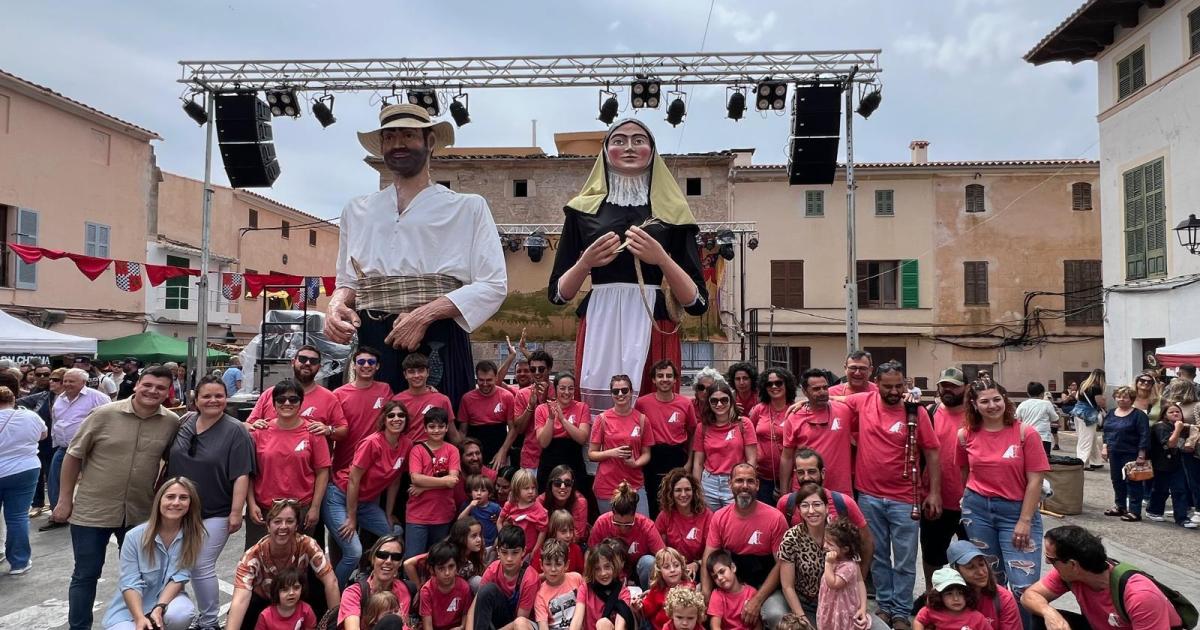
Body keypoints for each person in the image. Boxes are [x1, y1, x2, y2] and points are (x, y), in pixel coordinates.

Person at [325, 103, 507, 410]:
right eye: (389, 137)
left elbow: (493, 284)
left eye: (408, 135)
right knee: (373, 432)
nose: (397, 144)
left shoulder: (468, 207)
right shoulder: (356, 210)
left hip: (438, 334)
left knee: (439, 436)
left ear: (430, 142)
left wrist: (424, 315)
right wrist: (335, 304)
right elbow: (348, 280)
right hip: (373, 337)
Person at [548, 119, 708, 415]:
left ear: (652, 150)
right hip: (600, 315)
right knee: (598, 402)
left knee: (653, 406)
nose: (630, 147)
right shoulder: (581, 210)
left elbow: (697, 302)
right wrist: (585, 263)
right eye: (619, 140)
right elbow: (558, 294)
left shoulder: (673, 211)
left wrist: (661, 257)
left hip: (651, 316)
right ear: (606, 151)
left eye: (638, 140)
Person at [54, 366, 180, 630]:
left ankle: (136, 622)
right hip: (93, 509)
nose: (152, 391)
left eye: (160, 388)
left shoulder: (170, 422)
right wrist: (65, 499)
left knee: (143, 575)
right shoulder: (103, 414)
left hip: (139, 512)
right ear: (137, 385)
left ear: (167, 392)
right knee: (86, 574)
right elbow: (73, 455)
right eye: (148, 385)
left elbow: (173, 461)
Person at [841, 361, 941, 630]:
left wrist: (934, 492)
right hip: (869, 496)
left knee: (906, 560)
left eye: (899, 385)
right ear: (877, 383)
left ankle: (901, 610)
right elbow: (830, 398)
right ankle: (884, 606)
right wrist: (798, 404)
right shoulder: (863, 401)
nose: (894, 391)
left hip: (906, 498)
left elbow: (932, 452)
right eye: (888, 386)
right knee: (879, 556)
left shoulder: (915, 412)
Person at [164, 375, 255, 630]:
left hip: (216, 511)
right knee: (175, 564)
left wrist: (237, 512)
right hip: (177, 511)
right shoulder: (184, 422)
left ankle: (209, 621)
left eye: (219, 395)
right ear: (196, 398)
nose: (213, 400)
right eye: (207, 395)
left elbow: (241, 475)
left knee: (200, 564)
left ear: (226, 398)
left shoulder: (236, 430)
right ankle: (174, 612)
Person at [957, 379, 1050, 620]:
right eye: (984, 401)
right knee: (989, 582)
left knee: (1024, 587)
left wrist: (1025, 520)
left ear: (1005, 400)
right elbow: (965, 473)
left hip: (1017, 512)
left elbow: (1035, 481)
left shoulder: (1025, 433)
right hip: (977, 513)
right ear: (974, 405)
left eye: (996, 399)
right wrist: (966, 501)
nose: (992, 405)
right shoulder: (965, 435)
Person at [1022, 525, 1183, 630]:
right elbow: (1029, 596)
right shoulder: (1069, 575)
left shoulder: (1140, 595)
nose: (1046, 563)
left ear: (1073, 565)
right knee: (1040, 620)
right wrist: (1049, 613)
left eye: (1051, 559)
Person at [323, 400, 409, 586]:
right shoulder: (372, 443)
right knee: (353, 551)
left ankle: (372, 579)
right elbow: (354, 479)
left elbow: (394, 481)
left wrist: (388, 513)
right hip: (339, 497)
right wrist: (351, 517)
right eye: (391, 415)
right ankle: (335, 592)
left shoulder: (406, 444)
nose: (396, 419)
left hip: (366, 503)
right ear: (384, 419)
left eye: (401, 415)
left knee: (394, 535)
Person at [100, 478, 203, 630]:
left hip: (167, 600)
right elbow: (129, 582)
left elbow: (180, 576)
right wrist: (140, 618)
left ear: (190, 503)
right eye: (170, 496)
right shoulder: (134, 537)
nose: (176, 502)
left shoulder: (193, 535)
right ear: (159, 500)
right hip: (131, 608)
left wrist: (159, 607)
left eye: (183, 497)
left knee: (181, 614)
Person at [227, 500, 340, 630]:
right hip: (264, 601)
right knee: (242, 615)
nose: (283, 526)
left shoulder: (308, 544)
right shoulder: (251, 557)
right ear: (268, 526)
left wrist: (335, 624)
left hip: (296, 596)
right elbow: (240, 600)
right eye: (277, 521)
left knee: (321, 590)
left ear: (297, 525)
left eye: (290, 521)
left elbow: (331, 582)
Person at [246, 380, 332, 547]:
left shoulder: (313, 432)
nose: (287, 403)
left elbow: (322, 472)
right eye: (281, 399)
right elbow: (249, 473)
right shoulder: (259, 432)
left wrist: (315, 507)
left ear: (301, 403)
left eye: (293, 399)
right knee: (258, 562)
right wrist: (251, 504)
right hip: (265, 508)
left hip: (301, 509)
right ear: (273, 403)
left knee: (297, 563)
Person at [702, 464, 789, 628]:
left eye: (750, 481)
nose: (744, 486)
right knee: (697, 600)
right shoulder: (720, 517)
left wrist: (757, 600)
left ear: (757, 484)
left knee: (775, 614)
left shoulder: (776, 518)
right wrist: (705, 595)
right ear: (730, 484)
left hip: (765, 583)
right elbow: (709, 557)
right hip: (732, 581)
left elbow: (782, 564)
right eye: (739, 480)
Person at [774, 450, 873, 577]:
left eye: (811, 472)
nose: (806, 477)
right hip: (801, 583)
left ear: (822, 473)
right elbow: (782, 551)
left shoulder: (844, 503)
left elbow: (866, 542)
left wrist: (860, 579)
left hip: (838, 582)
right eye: (800, 473)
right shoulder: (786, 504)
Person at [43, 366, 112, 531]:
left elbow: (110, 421)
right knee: (55, 480)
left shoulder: (98, 397)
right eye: (65, 380)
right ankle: (59, 515)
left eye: (71, 381)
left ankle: (95, 515)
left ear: (83, 382)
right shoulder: (60, 398)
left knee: (94, 482)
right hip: (64, 448)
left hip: (91, 450)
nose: (67, 384)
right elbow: (57, 420)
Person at [918, 368, 967, 592]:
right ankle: (932, 594)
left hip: (970, 502)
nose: (948, 389)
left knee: (975, 556)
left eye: (954, 385)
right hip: (935, 499)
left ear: (965, 387)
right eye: (944, 385)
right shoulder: (929, 413)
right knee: (932, 553)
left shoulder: (978, 414)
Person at [247, 346, 348, 446]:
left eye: (313, 361)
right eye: (303, 359)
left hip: (313, 461)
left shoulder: (329, 398)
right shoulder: (270, 393)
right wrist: (253, 426)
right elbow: (247, 425)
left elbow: (343, 431)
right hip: (270, 459)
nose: (308, 363)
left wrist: (329, 430)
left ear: (319, 367)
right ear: (293, 362)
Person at [636, 359, 698, 517]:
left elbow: (693, 433)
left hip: (677, 457)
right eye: (660, 375)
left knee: (678, 501)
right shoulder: (642, 403)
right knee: (653, 502)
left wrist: (689, 462)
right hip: (652, 457)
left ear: (675, 379)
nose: (665, 379)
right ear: (653, 380)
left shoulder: (685, 403)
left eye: (669, 375)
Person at [780, 370, 854, 496]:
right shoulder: (794, 417)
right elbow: (786, 457)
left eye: (825, 387)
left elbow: (868, 399)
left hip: (840, 492)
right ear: (804, 391)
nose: (822, 392)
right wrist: (784, 493)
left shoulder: (844, 410)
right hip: (805, 492)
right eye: (816, 389)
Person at [0, 380, 47, 576]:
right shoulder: (30, 416)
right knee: (18, 516)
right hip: (25, 468)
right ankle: (19, 562)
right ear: (13, 399)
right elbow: (43, 435)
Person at [590, 374, 653, 514]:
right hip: (608, 485)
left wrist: (635, 463)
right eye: (615, 391)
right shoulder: (602, 419)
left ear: (631, 392)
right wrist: (612, 452)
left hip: (634, 484)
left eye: (624, 390)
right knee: (611, 530)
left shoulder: (642, 419)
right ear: (611, 394)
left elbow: (647, 453)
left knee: (642, 526)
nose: (620, 394)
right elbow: (592, 454)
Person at [692, 380, 757, 512]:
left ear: (731, 400)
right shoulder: (702, 427)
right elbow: (698, 462)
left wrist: (745, 482)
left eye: (724, 400)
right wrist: (696, 488)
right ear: (708, 403)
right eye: (714, 401)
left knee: (735, 520)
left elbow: (752, 459)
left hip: (735, 480)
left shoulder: (743, 424)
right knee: (710, 522)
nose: (719, 404)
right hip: (709, 483)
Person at [407, 407, 462, 559]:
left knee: (438, 560)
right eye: (432, 426)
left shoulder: (452, 450)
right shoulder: (417, 450)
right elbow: (415, 479)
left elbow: (453, 481)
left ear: (446, 428)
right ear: (425, 428)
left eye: (440, 426)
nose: (436, 430)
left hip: (443, 514)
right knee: (413, 560)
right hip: (417, 516)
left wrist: (423, 487)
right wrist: (443, 481)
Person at [333, 346, 395, 476]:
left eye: (371, 362)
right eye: (361, 362)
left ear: (377, 366)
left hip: (374, 465)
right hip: (344, 463)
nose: (366, 365)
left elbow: (399, 411)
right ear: (354, 366)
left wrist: (427, 389)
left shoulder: (385, 389)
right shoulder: (338, 394)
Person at [589, 482, 665, 588]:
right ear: (613, 514)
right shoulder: (602, 523)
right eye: (618, 524)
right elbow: (590, 554)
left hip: (638, 570)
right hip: (610, 571)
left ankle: (648, 596)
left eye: (628, 524)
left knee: (649, 561)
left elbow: (663, 555)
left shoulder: (646, 525)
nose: (623, 528)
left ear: (634, 515)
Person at [466, 525, 540, 630]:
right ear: (498, 552)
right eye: (504, 552)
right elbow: (474, 609)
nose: (509, 558)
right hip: (499, 619)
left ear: (523, 551)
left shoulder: (530, 579)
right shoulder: (492, 570)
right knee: (487, 590)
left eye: (515, 553)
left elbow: (519, 622)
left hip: (519, 624)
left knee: (520, 623)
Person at [495, 350, 553, 472]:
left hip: (554, 454)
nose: (537, 373)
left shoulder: (560, 391)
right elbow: (519, 429)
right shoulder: (522, 394)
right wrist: (530, 407)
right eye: (533, 369)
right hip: (530, 457)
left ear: (550, 369)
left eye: (541, 369)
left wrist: (544, 402)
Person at [534, 371, 591, 494]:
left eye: (570, 388)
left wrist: (562, 419)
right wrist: (551, 418)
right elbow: (543, 442)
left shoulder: (582, 407)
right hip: (549, 461)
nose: (566, 392)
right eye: (562, 388)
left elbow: (582, 438)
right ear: (555, 389)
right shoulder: (542, 409)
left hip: (574, 460)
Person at [339, 535, 412, 630]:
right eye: (382, 555)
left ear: (401, 562)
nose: (388, 561)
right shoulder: (353, 593)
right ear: (373, 558)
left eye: (396, 557)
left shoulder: (406, 589)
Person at [1101, 386, 1151, 522]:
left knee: (1133, 481)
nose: (1121, 399)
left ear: (1131, 399)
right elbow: (1106, 432)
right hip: (1114, 451)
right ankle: (1120, 506)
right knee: (1117, 480)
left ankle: (1135, 511)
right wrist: (1105, 447)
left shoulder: (1139, 415)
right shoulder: (1111, 413)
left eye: (1125, 397)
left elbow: (1144, 435)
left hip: (1131, 452)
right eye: (1119, 396)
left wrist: (1142, 454)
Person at [393, 352, 460, 444]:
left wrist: (461, 452)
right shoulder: (397, 401)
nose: (416, 375)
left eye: (420, 370)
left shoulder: (442, 400)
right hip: (405, 452)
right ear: (405, 374)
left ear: (428, 372)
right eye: (411, 372)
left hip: (433, 452)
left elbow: (453, 434)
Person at [16, 364, 56, 519]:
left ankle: (55, 505)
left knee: (52, 474)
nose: (42, 377)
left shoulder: (55, 393)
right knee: (39, 474)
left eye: (46, 374)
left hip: (53, 439)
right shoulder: (34, 391)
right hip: (37, 439)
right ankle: (38, 503)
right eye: (38, 374)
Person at [1145, 400, 1194, 527]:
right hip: (1162, 463)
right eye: (1171, 412)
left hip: (1177, 463)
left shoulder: (1182, 426)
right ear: (1164, 414)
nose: (1175, 414)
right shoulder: (1160, 426)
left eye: (1178, 411)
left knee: (1180, 490)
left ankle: (1182, 518)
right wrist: (1178, 429)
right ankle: (1153, 511)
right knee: (1161, 489)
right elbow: (1170, 443)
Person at [751, 368, 795, 502]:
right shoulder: (759, 409)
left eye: (779, 383)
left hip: (789, 478)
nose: (774, 386)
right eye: (769, 384)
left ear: (787, 384)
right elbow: (749, 438)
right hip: (762, 477)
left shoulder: (795, 410)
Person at [459, 360, 516, 464]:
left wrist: (503, 452)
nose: (485, 384)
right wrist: (463, 454)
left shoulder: (507, 397)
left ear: (496, 378)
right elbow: (463, 431)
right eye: (481, 380)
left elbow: (513, 429)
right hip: (475, 453)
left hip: (499, 449)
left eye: (489, 380)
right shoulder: (467, 399)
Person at [654, 467, 711, 571]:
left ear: (694, 491)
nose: (683, 494)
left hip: (700, 568)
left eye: (687, 489)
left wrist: (697, 564)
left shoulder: (707, 515)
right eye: (678, 490)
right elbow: (660, 551)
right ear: (670, 493)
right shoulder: (664, 515)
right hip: (671, 569)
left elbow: (712, 551)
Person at [817, 518, 868, 630]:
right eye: (825, 541)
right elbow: (860, 581)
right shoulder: (835, 558)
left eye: (830, 544)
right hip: (829, 607)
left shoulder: (848, 566)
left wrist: (828, 564)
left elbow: (833, 583)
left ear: (845, 549)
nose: (825, 545)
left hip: (841, 611)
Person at [579, 539, 635, 630]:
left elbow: (620, 626)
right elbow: (577, 620)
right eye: (597, 569)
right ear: (591, 570)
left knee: (603, 623)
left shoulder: (623, 592)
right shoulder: (585, 588)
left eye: (607, 567)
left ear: (614, 565)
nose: (603, 573)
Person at [533, 538, 586, 630]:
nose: (553, 569)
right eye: (548, 564)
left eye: (558, 564)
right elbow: (543, 626)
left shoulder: (577, 578)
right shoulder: (540, 595)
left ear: (566, 565)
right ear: (541, 565)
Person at [912, 568, 990, 630]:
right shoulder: (932, 611)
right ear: (939, 596)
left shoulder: (977, 618)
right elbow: (919, 621)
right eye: (949, 594)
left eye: (960, 593)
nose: (956, 598)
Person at [419, 541, 472, 630]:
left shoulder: (464, 587)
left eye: (451, 566)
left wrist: (462, 627)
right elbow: (427, 626)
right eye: (441, 568)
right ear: (432, 570)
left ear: (457, 567)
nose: (447, 573)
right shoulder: (426, 591)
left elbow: (466, 613)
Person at [638, 547, 693, 630]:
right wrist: (638, 606)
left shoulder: (689, 588)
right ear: (660, 571)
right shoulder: (657, 590)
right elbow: (646, 611)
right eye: (666, 567)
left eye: (676, 565)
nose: (672, 570)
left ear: (682, 567)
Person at [498, 469, 548, 559]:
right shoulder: (510, 504)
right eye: (526, 488)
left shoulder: (538, 508)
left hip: (528, 551)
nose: (530, 491)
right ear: (517, 489)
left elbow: (543, 531)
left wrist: (535, 551)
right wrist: (503, 539)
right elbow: (499, 522)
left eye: (533, 488)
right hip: (511, 548)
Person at [707, 549, 760, 630]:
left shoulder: (751, 592)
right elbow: (715, 626)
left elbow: (758, 625)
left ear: (733, 568)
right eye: (715, 577)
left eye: (722, 571)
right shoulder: (717, 595)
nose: (720, 578)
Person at [539, 464, 590, 544]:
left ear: (572, 485)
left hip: (572, 544)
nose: (562, 487)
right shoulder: (541, 501)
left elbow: (578, 535)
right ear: (550, 484)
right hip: (546, 544)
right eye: (557, 483)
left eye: (567, 483)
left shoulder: (580, 502)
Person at [532, 509, 586, 574]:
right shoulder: (542, 551)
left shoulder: (576, 549)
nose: (568, 535)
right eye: (563, 532)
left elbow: (580, 573)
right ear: (554, 532)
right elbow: (535, 577)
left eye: (571, 530)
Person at [1072, 369, 1106, 471]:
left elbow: (1077, 397)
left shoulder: (1084, 384)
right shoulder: (1096, 387)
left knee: (1092, 438)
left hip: (1077, 412)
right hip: (1088, 415)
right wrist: (1105, 405)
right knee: (1086, 439)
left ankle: (1096, 461)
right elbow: (1099, 402)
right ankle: (1082, 463)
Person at [1016, 382, 1057, 456]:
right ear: (1042, 393)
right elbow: (1055, 418)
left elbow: (1017, 419)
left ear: (1028, 393)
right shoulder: (1047, 404)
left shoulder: (1022, 405)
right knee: (1044, 461)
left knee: (1028, 460)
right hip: (1043, 438)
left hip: (1026, 437)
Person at [461, 474, 502, 548]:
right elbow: (460, 520)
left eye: (483, 490)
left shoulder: (495, 507)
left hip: (491, 544)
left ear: (489, 493)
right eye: (476, 490)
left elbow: (503, 521)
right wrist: (470, 506)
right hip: (473, 544)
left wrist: (499, 538)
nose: (479, 493)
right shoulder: (467, 505)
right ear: (471, 492)